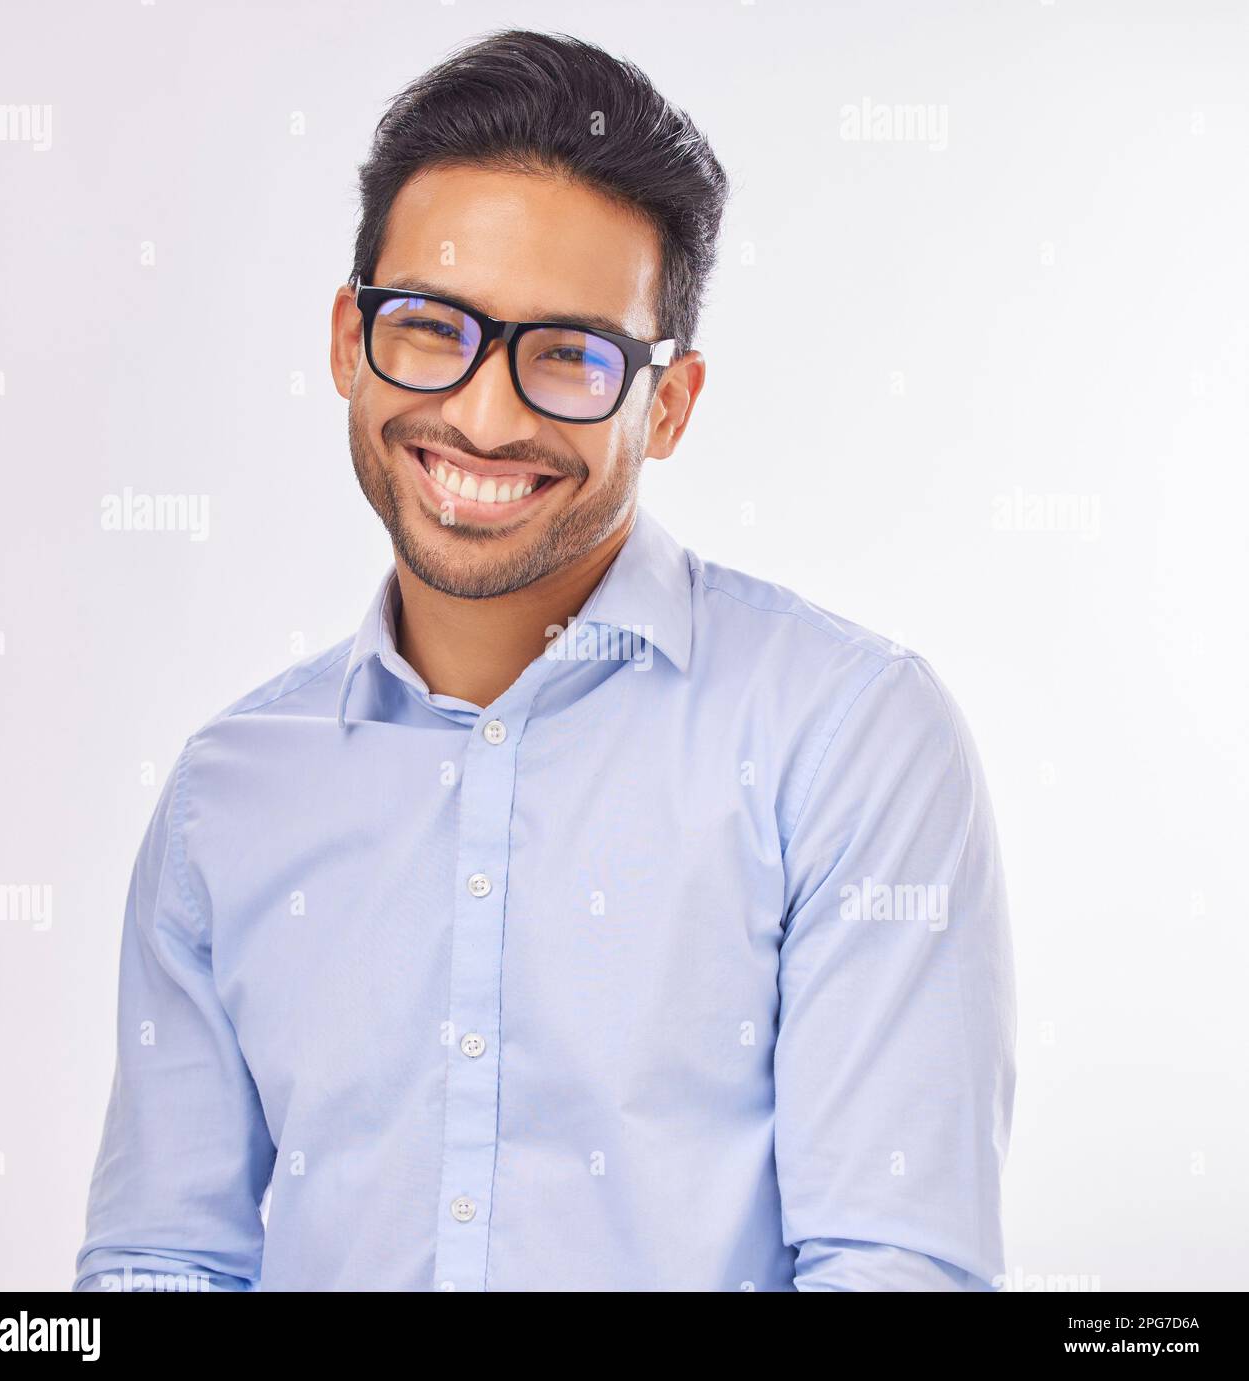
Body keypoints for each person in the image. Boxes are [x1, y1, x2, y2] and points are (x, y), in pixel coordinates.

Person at [74, 27, 1016, 1293]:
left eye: (569, 355)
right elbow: (159, 1260)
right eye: (430, 327)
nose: (483, 413)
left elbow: (897, 1269)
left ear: (666, 407)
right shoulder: (224, 795)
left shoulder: (846, 739)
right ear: (351, 339)